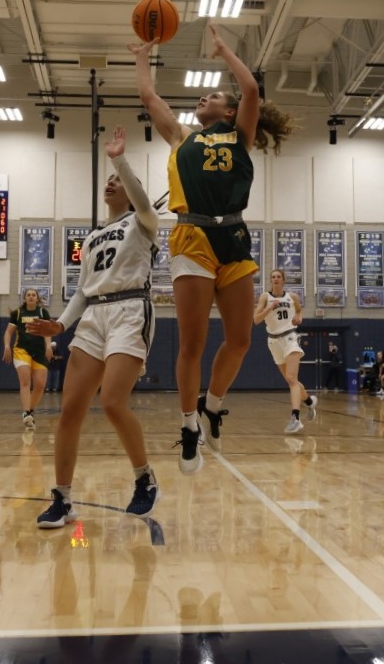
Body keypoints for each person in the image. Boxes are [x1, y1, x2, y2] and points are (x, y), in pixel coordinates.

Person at [131, 23, 297, 473]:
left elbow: (249, 88)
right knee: (194, 343)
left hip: (235, 236)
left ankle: (211, 403)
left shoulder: (239, 134)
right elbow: (151, 100)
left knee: (241, 340)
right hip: (191, 236)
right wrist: (143, 59)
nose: (203, 99)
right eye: (202, 98)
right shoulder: (182, 137)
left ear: (228, 111)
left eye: (212, 97)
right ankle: (188, 425)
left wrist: (224, 49)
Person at [27, 127, 161, 528]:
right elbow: (83, 291)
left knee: (114, 401)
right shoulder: (90, 238)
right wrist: (60, 325)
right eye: (109, 178)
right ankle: (63, 499)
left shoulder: (144, 220)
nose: (111, 182)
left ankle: (144, 478)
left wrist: (119, 159)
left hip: (131, 310)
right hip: (93, 317)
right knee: (70, 411)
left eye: (118, 180)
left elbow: (139, 196)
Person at [254, 268, 317, 433]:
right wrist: (269, 308)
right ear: (271, 280)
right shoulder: (265, 297)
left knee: (291, 378)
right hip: (273, 342)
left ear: (283, 280)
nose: (275, 279)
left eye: (278, 277)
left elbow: (298, 310)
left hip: (290, 337)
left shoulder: (292, 297)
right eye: (273, 276)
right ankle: (309, 402)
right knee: (292, 381)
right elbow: (256, 319)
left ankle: (296, 418)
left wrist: (299, 318)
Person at [3, 288, 53, 429]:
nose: (31, 297)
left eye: (33, 295)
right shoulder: (17, 313)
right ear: (24, 298)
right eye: (28, 295)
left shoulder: (43, 313)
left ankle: (29, 411)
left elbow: (48, 331)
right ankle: (26, 412)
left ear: (37, 298)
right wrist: (7, 346)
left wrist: (48, 346)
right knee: (25, 381)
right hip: (22, 350)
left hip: (39, 352)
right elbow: (8, 333)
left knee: (40, 385)